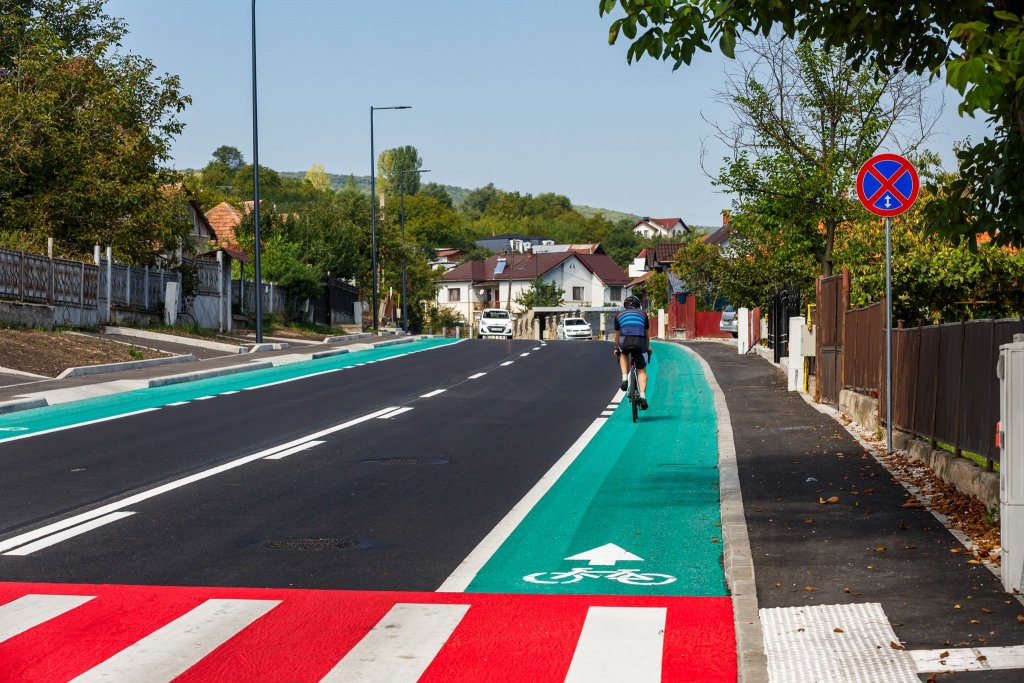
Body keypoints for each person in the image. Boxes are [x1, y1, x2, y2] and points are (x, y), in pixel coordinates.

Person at [614, 295, 651, 410]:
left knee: (623, 353)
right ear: (638, 306)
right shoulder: (643, 314)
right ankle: (643, 397)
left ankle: (624, 379)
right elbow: (646, 335)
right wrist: (647, 348)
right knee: (641, 370)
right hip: (640, 342)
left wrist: (616, 348)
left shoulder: (619, 315)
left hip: (625, 341)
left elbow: (617, 335)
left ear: (625, 306)